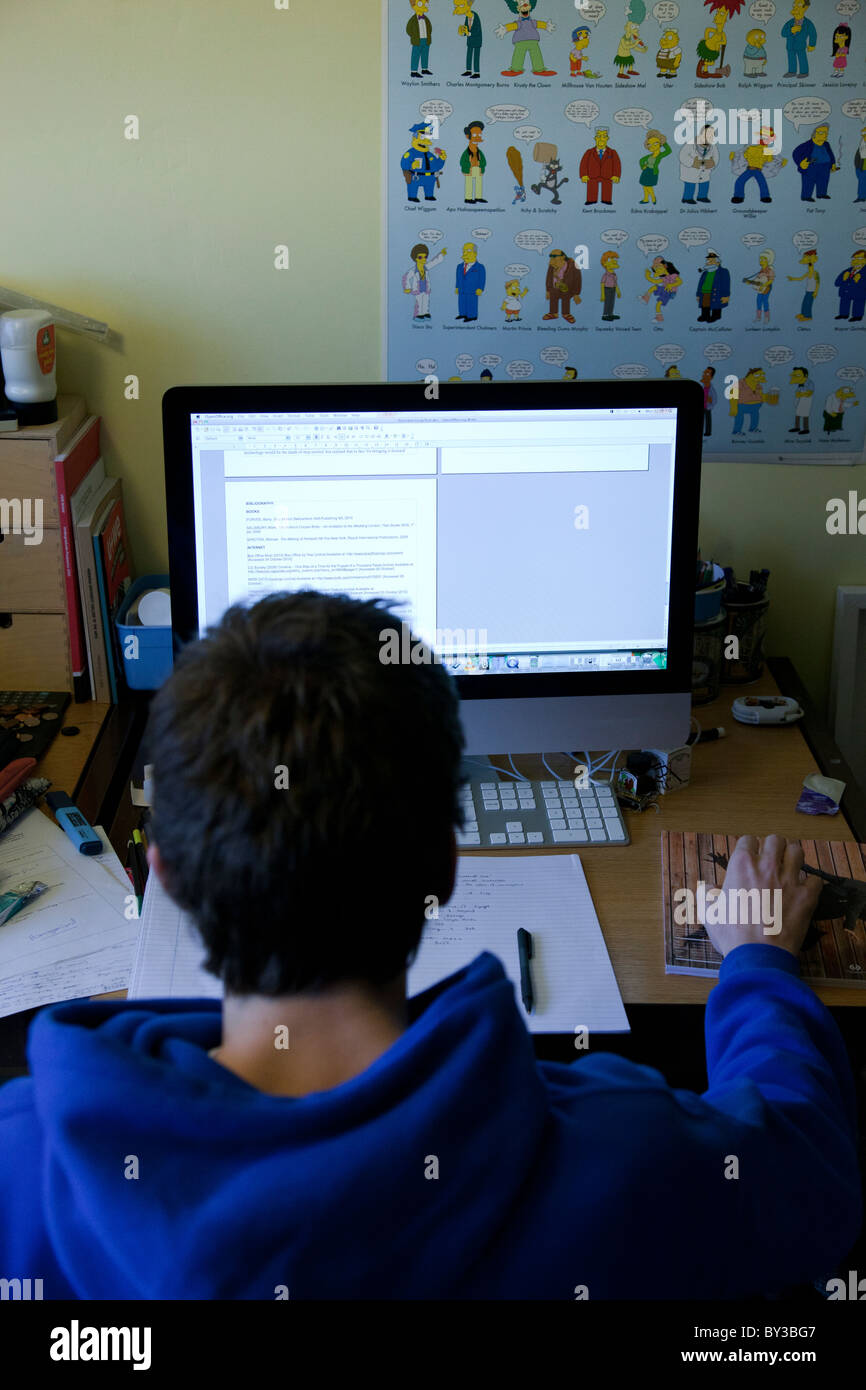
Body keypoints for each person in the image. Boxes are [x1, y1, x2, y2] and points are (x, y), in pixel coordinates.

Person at [0, 591, 859, 1299]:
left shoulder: (23, 1164)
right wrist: (756, 966)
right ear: (446, 865)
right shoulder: (627, 1156)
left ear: (167, 880)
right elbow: (813, 1172)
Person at [679, 122, 719, 203]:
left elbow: (716, 157)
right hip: (691, 170)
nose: (708, 137)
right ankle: (687, 198)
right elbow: (682, 156)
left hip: (705, 170)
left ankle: (702, 196)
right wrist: (692, 162)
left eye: (711, 135)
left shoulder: (712, 147)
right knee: (690, 184)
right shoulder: (691, 144)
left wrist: (712, 163)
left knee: (704, 183)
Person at [788, 247, 819, 320]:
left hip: (812, 291)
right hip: (808, 291)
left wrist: (816, 292)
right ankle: (803, 314)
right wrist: (792, 278)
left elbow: (818, 283)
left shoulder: (815, 273)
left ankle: (808, 316)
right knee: (804, 303)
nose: (809, 267)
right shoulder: (808, 273)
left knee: (808, 303)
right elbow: (800, 278)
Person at [701, 363, 717, 435]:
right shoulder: (702, 386)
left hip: (707, 407)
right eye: (704, 373)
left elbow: (714, 400)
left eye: (707, 374)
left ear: (711, 377)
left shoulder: (711, 389)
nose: (704, 374)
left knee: (708, 420)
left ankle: (708, 432)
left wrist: (710, 405)